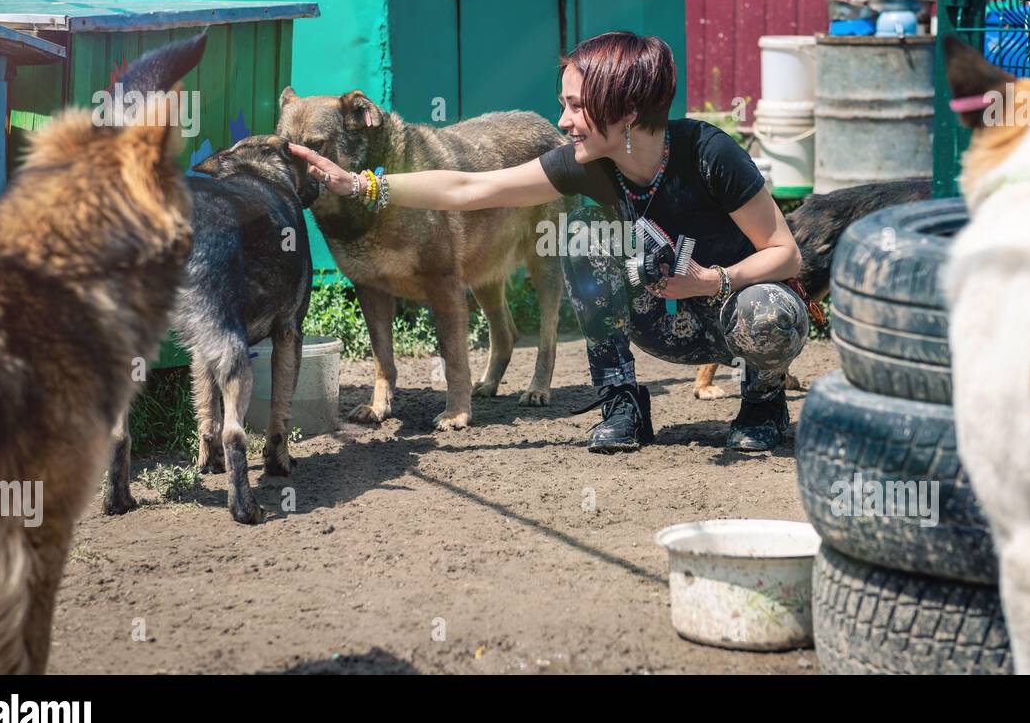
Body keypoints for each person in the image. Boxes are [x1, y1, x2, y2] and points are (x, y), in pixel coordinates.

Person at [288, 31, 808, 453]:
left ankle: (762, 406)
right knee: (580, 237)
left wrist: (713, 280)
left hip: (727, 319)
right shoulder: (586, 164)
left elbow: (787, 253)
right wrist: (359, 184)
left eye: (576, 107)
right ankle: (622, 402)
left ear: (625, 111)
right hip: (658, 321)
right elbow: (472, 188)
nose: (562, 122)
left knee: (769, 304)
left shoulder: (710, 154)